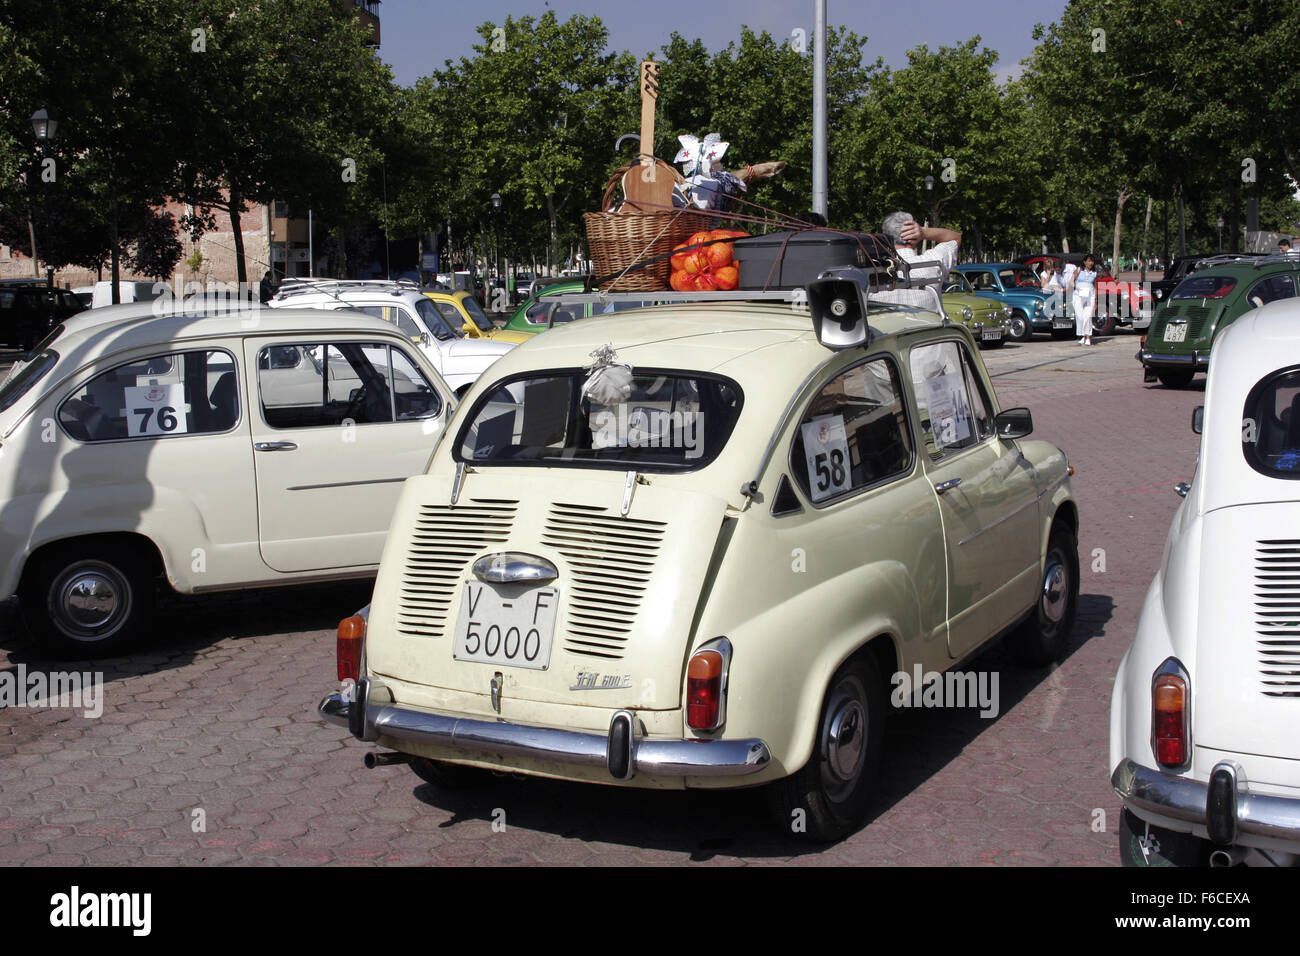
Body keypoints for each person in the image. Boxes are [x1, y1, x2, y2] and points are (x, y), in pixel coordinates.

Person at [871, 211, 961, 308]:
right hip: (929, 322)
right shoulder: (932, 262)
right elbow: (956, 238)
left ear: (885, 238)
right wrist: (923, 232)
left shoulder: (871, 272)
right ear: (915, 234)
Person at [1070, 254, 1098, 345]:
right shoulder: (1078, 270)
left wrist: (1095, 298)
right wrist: (1077, 288)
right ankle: (1082, 335)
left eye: (1092, 261)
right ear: (1084, 262)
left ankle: (1088, 337)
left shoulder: (1094, 273)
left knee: (1088, 316)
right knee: (1080, 316)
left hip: (1090, 295)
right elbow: (1071, 281)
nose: (1091, 263)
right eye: (1089, 261)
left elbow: (1094, 285)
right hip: (1078, 295)